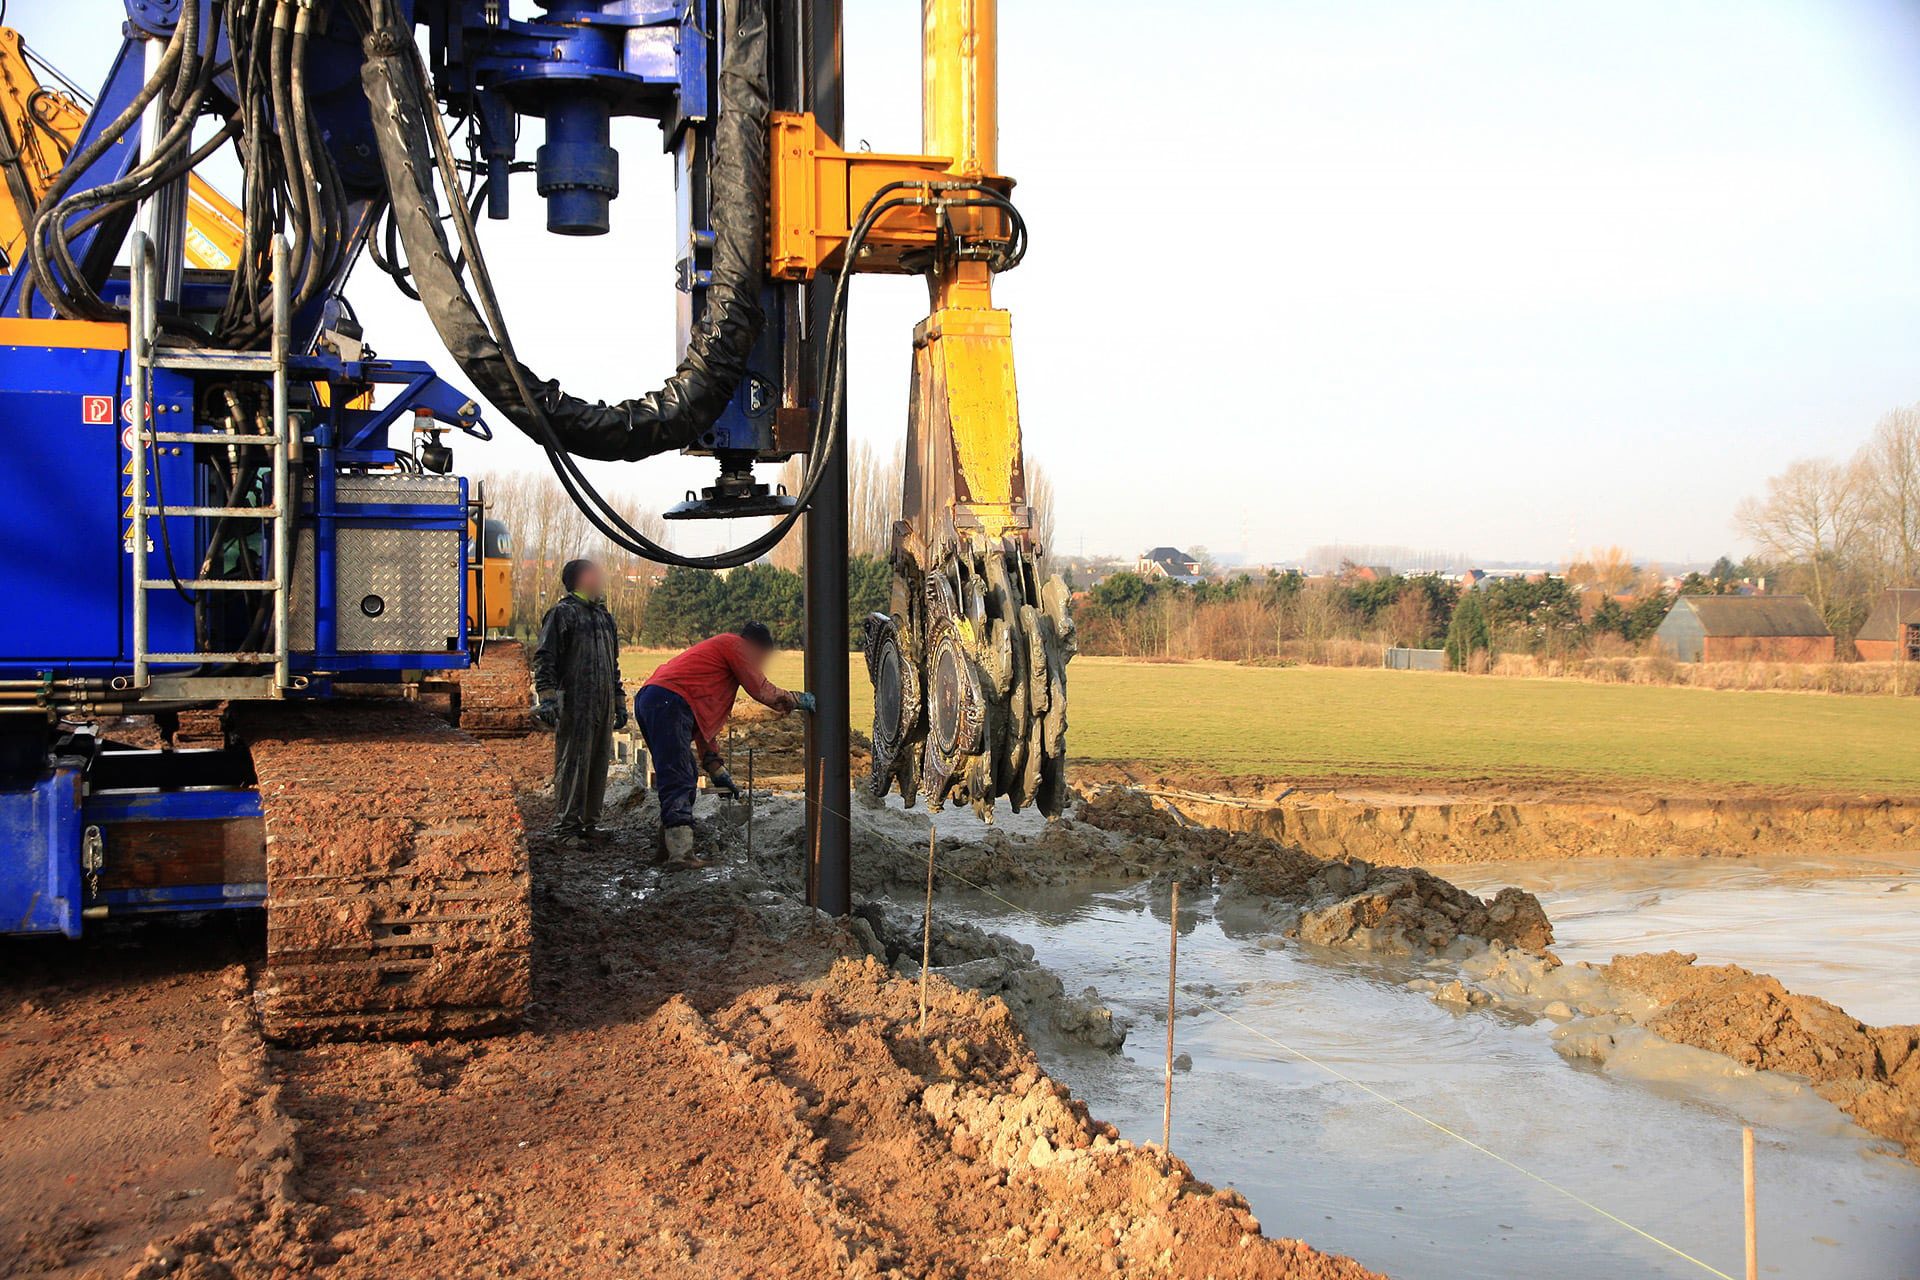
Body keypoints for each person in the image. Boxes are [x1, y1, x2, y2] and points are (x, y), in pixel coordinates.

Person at [635, 621, 814, 868]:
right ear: (756, 648)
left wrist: (717, 770)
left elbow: (703, 728)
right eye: (763, 658)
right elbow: (761, 689)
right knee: (678, 775)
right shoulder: (735, 644)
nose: (760, 664)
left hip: (655, 699)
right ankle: (680, 854)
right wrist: (796, 699)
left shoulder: (717, 671)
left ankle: (667, 850)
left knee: (681, 768)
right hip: (667, 701)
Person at [531, 559, 628, 847]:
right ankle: (566, 829)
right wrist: (547, 698)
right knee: (573, 763)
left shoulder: (604, 617)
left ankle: (588, 825)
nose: (601, 578)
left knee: (597, 764)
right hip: (575, 703)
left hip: (603, 703)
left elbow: (614, 665)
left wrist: (619, 702)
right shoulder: (563, 614)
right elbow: (545, 657)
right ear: (580, 579)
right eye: (595, 573)